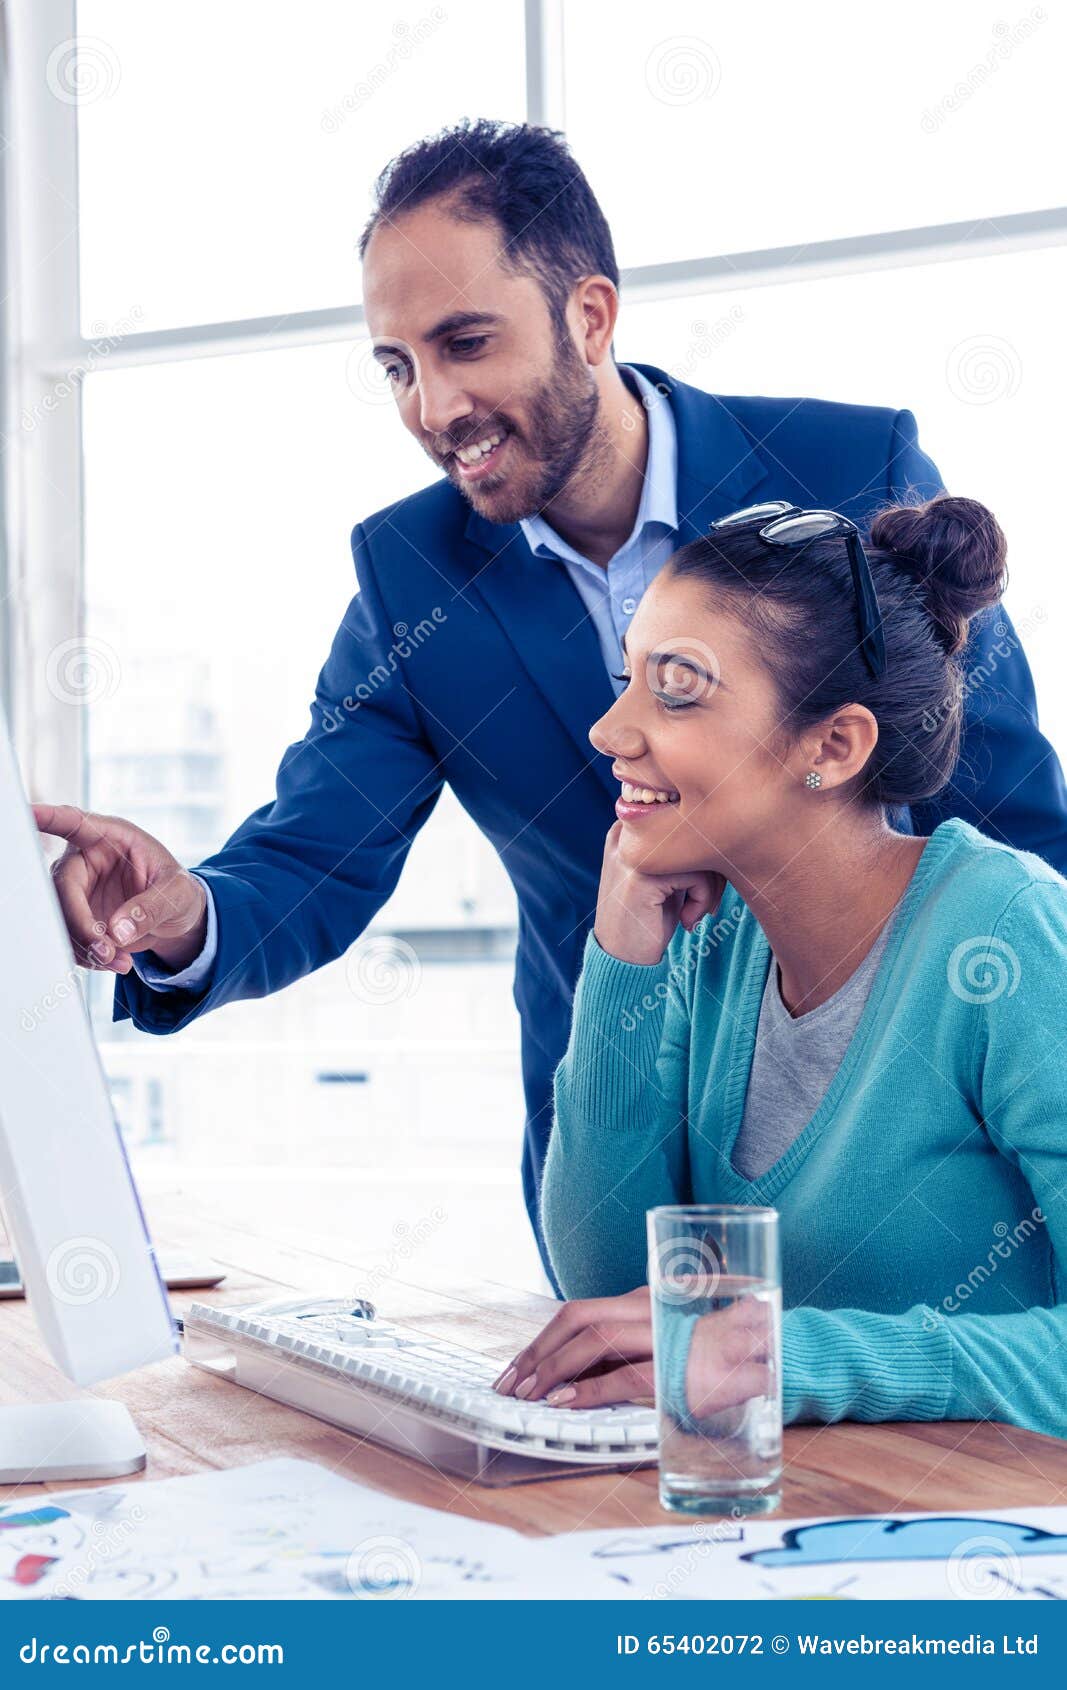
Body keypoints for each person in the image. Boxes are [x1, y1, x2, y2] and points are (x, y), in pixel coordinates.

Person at [33, 120, 1067, 1292]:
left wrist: (995, 1046)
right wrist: (182, 918)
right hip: (618, 1130)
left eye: (465, 341)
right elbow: (319, 851)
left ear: (588, 316)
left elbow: (1007, 808)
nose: (433, 406)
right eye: (397, 366)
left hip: (907, 1137)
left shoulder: (843, 470)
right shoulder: (411, 573)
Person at [491, 494, 1067, 1440]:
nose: (608, 730)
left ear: (831, 747)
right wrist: (620, 957)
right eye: (626, 677)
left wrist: (785, 1358)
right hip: (801, 1534)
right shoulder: (715, 942)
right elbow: (615, 1303)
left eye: (674, 689)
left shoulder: (1005, 939)